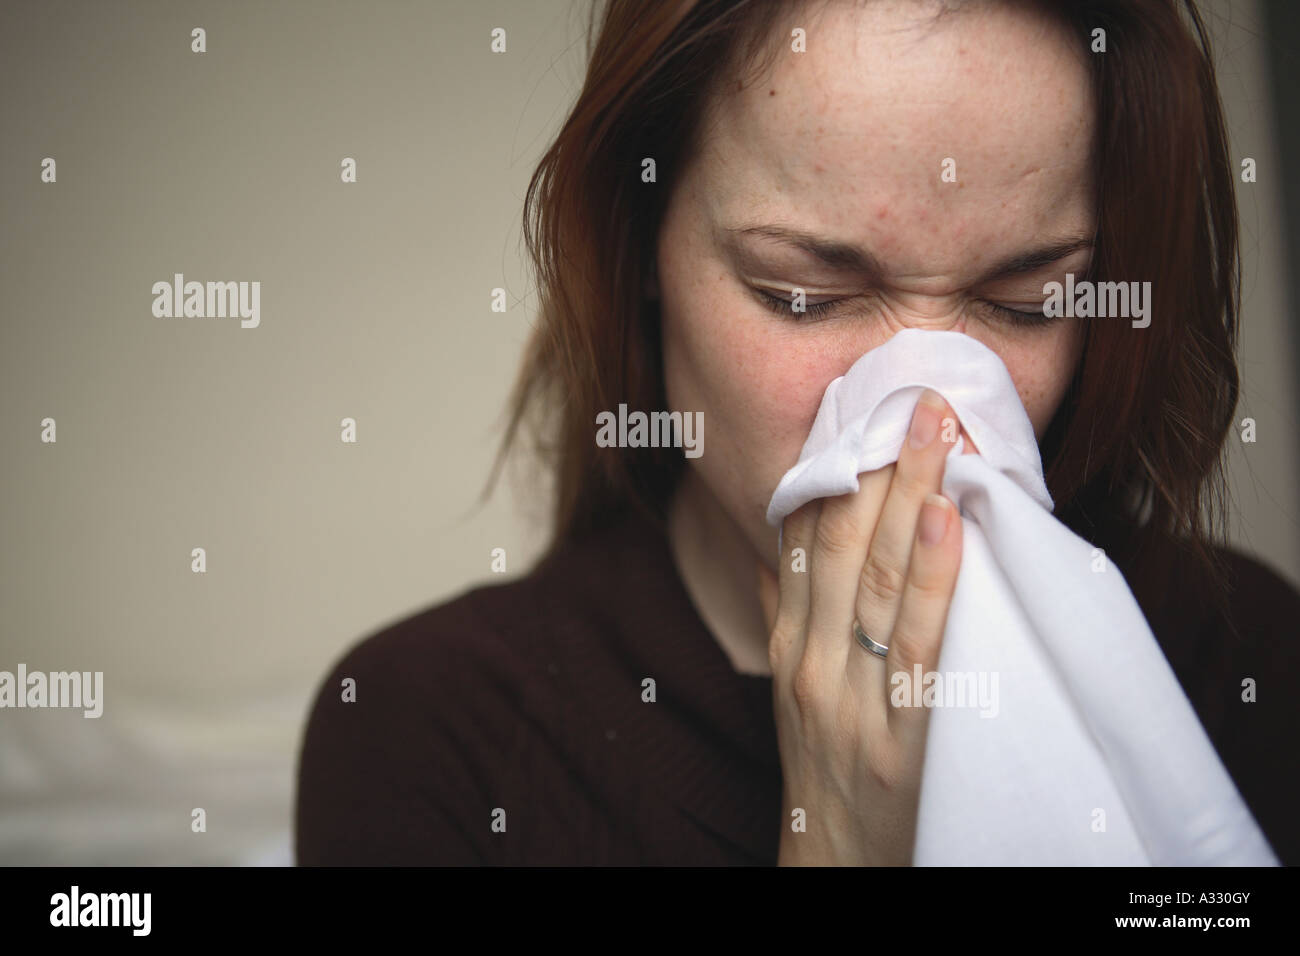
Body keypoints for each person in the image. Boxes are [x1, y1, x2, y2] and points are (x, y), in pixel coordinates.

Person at [295, 0, 1300, 865]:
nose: (929, 418)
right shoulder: (432, 734)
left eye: (1026, 302)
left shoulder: (1239, 654)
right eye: (803, 294)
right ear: (643, 248)